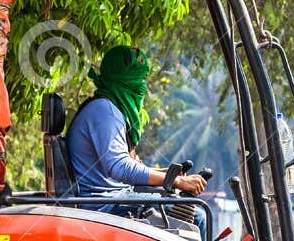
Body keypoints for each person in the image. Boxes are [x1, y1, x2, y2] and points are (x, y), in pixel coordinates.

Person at [68, 44, 208, 199]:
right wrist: (177, 180)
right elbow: (120, 168)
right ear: (124, 79)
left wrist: (166, 174)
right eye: (138, 79)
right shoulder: (105, 111)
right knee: (197, 215)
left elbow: (125, 164)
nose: (143, 86)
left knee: (185, 208)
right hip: (105, 204)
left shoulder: (108, 108)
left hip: (113, 195)